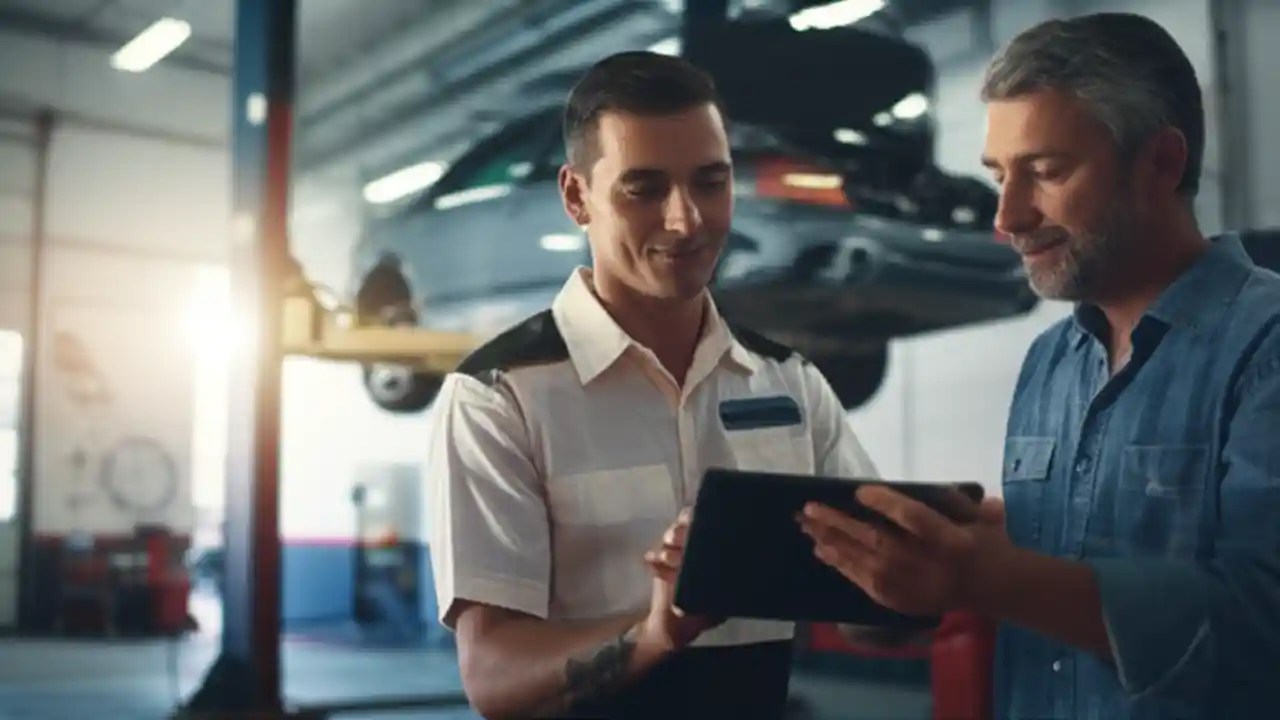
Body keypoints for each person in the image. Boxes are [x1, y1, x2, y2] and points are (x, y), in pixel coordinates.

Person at [799, 12, 1280, 720]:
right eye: (998, 175)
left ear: (1162, 162)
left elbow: (1259, 626)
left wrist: (988, 575)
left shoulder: (1265, 346)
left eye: (1046, 172)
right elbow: (1051, 591)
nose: (1008, 216)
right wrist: (921, 573)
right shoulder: (1049, 365)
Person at [425, 50, 878, 719]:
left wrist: (920, 583)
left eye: (710, 182)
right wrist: (657, 633)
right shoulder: (498, 398)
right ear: (577, 197)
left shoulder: (791, 384)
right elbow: (494, 677)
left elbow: (868, 620)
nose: (686, 220)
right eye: (645, 189)